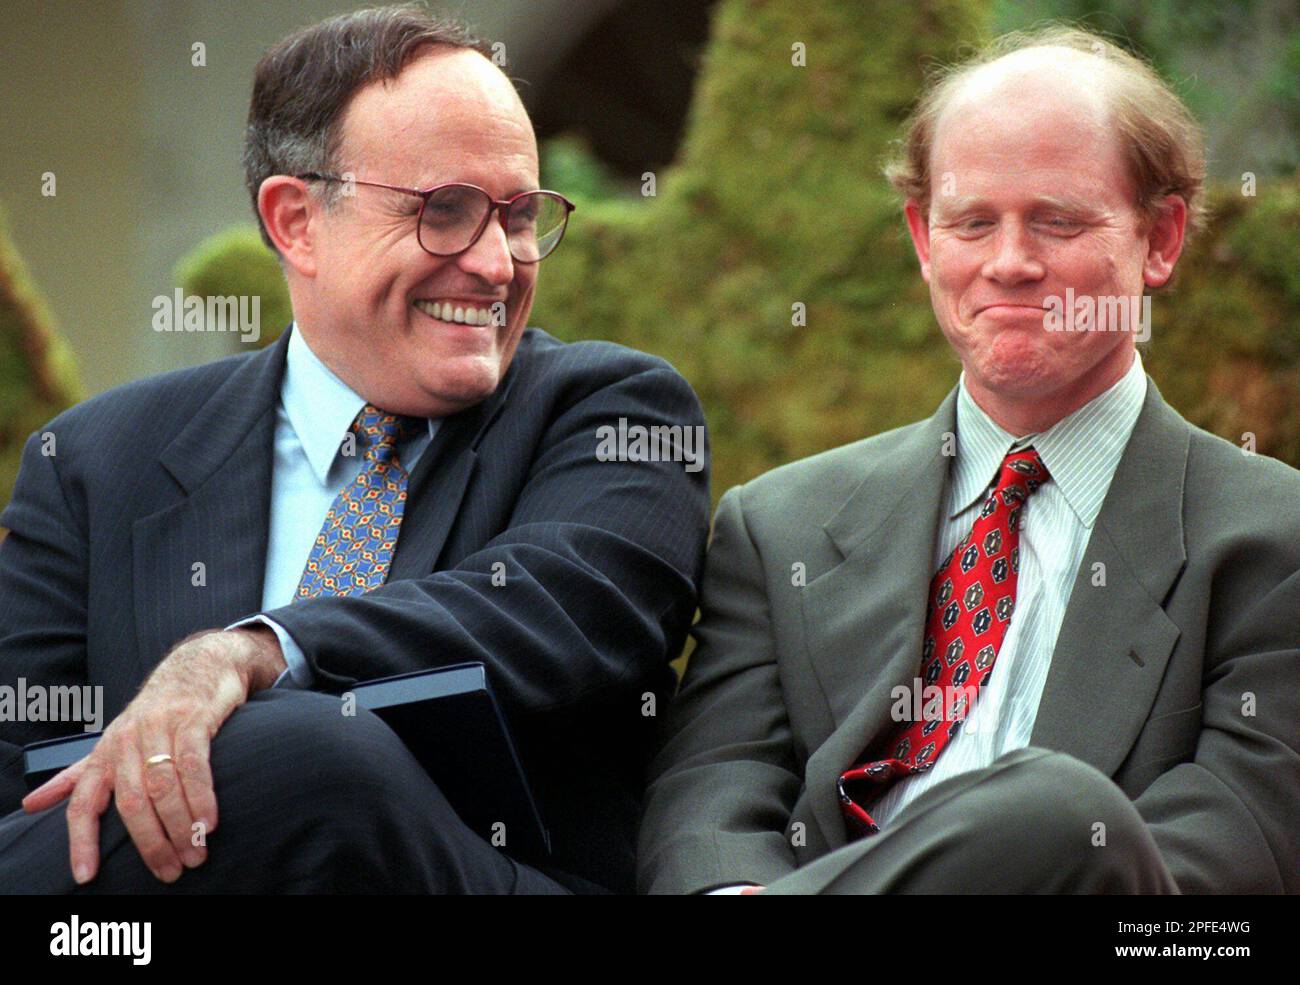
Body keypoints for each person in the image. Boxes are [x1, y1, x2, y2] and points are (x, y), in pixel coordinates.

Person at [0, 6, 709, 895]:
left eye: (520, 215)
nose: (496, 263)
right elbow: (23, 780)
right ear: (296, 221)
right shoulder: (95, 462)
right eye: (445, 212)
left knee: (310, 747)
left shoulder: (614, 412)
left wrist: (253, 652)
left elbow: (554, 617)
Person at [638, 26, 1299, 895]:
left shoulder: (1275, 541)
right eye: (972, 222)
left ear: (1161, 238)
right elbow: (708, 802)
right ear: (922, 236)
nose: (1010, 263)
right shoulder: (779, 527)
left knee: (1055, 814)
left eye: (1057, 221)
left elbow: (1224, 868)